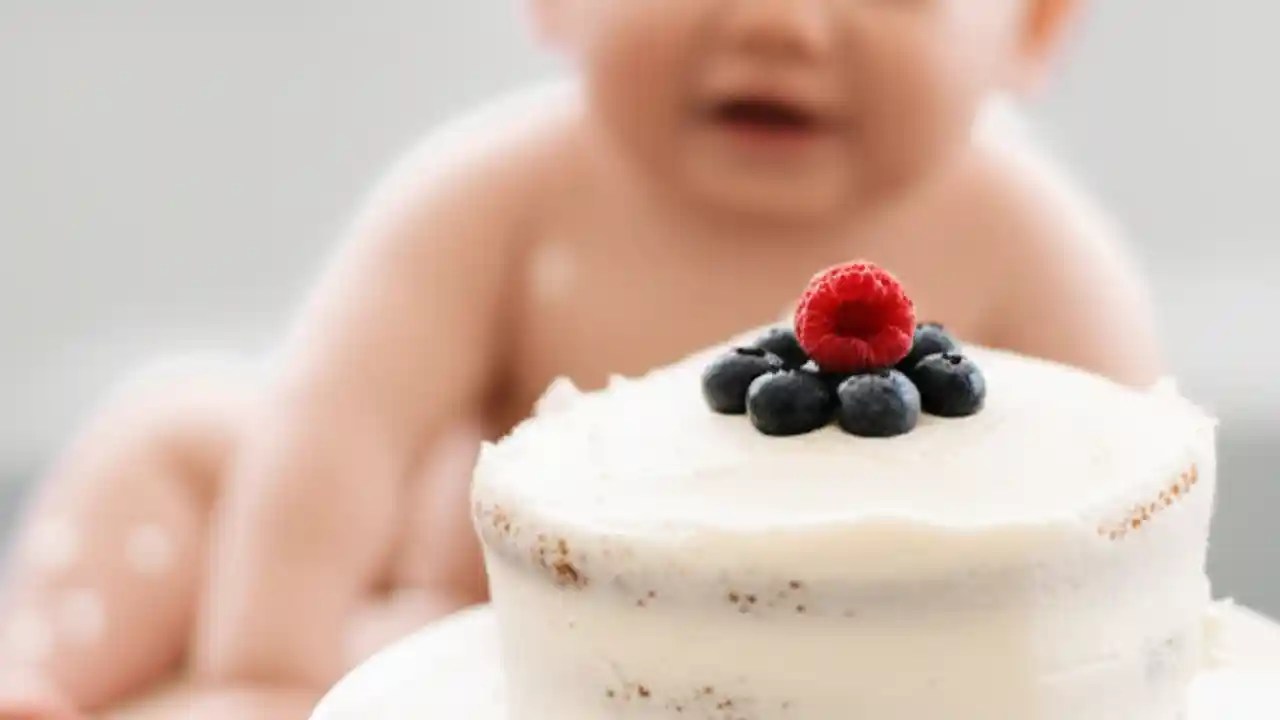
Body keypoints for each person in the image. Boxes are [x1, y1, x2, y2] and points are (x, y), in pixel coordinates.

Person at [0, 0, 1161, 717]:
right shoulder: (501, 196)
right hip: (461, 634)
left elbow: (1136, 505)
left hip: (837, 682)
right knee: (178, 432)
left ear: (1033, 24)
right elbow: (342, 428)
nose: (782, 21)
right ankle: (41, 674)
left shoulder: (1023, 243)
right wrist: (268, 668)